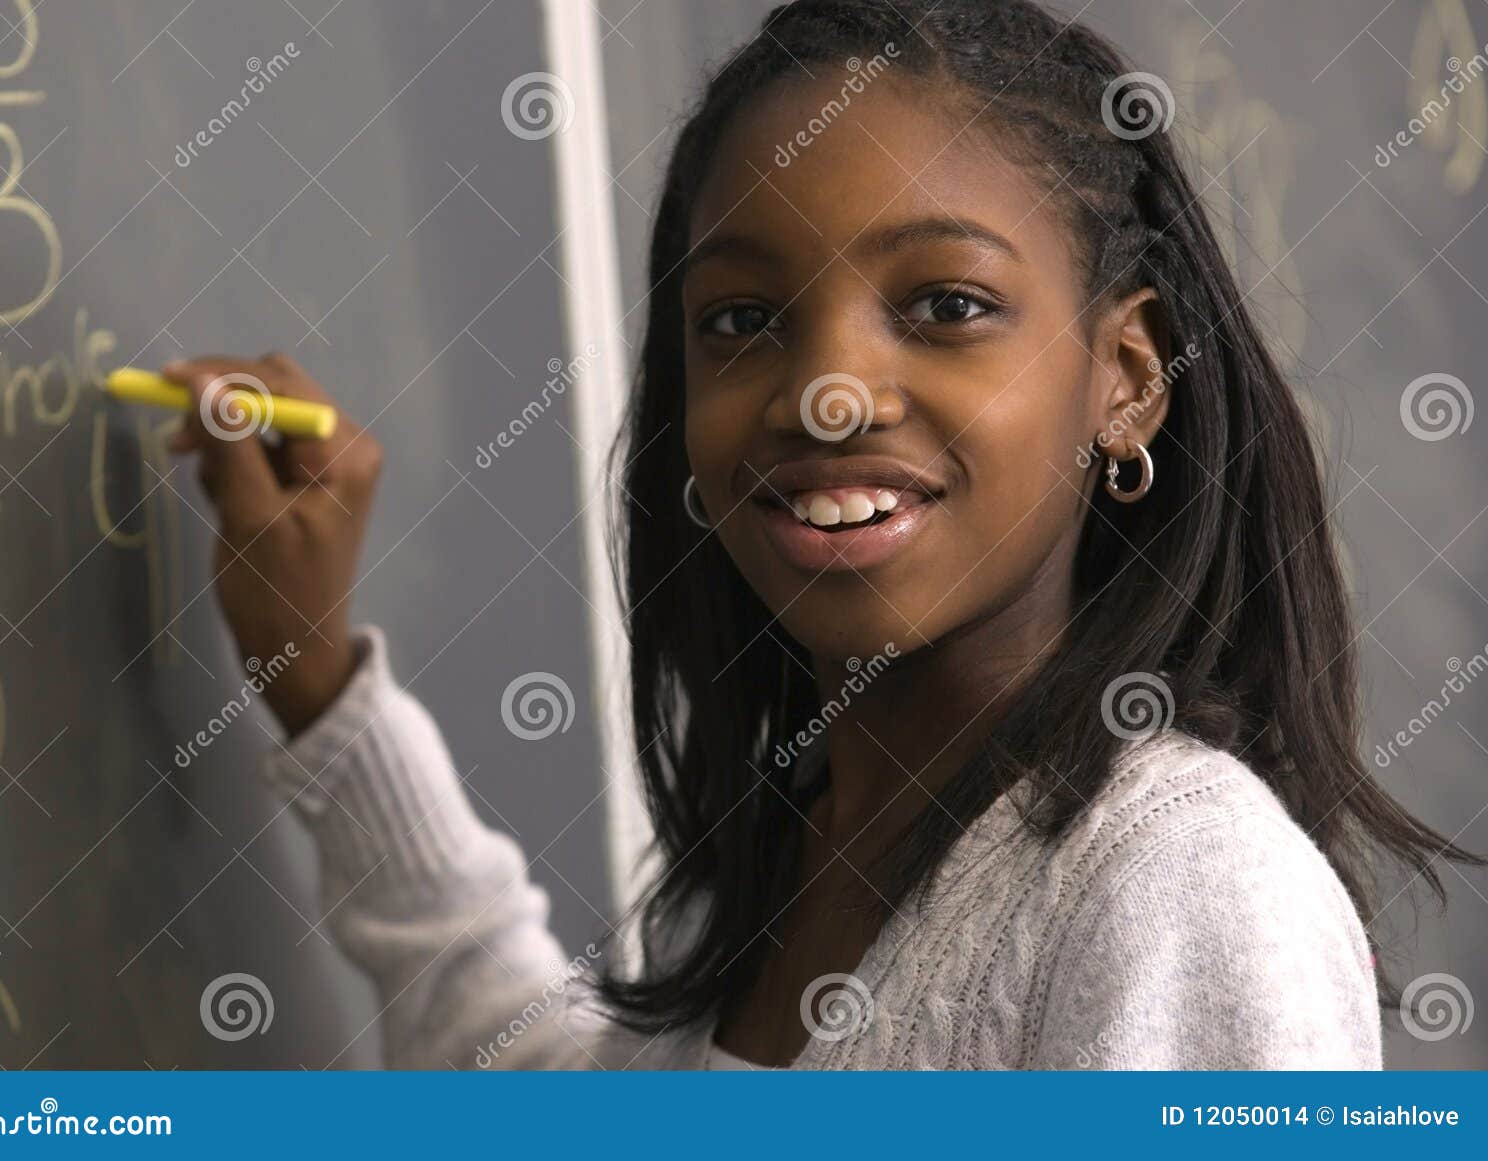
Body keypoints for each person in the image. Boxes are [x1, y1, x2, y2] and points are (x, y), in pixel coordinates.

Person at [162, 0, 1481, 1069]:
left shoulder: (1176, 878)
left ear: (1126, 376)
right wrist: (317, 679)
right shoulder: (804, 851)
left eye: (946, 304)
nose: (827, 395)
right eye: (742, 320)